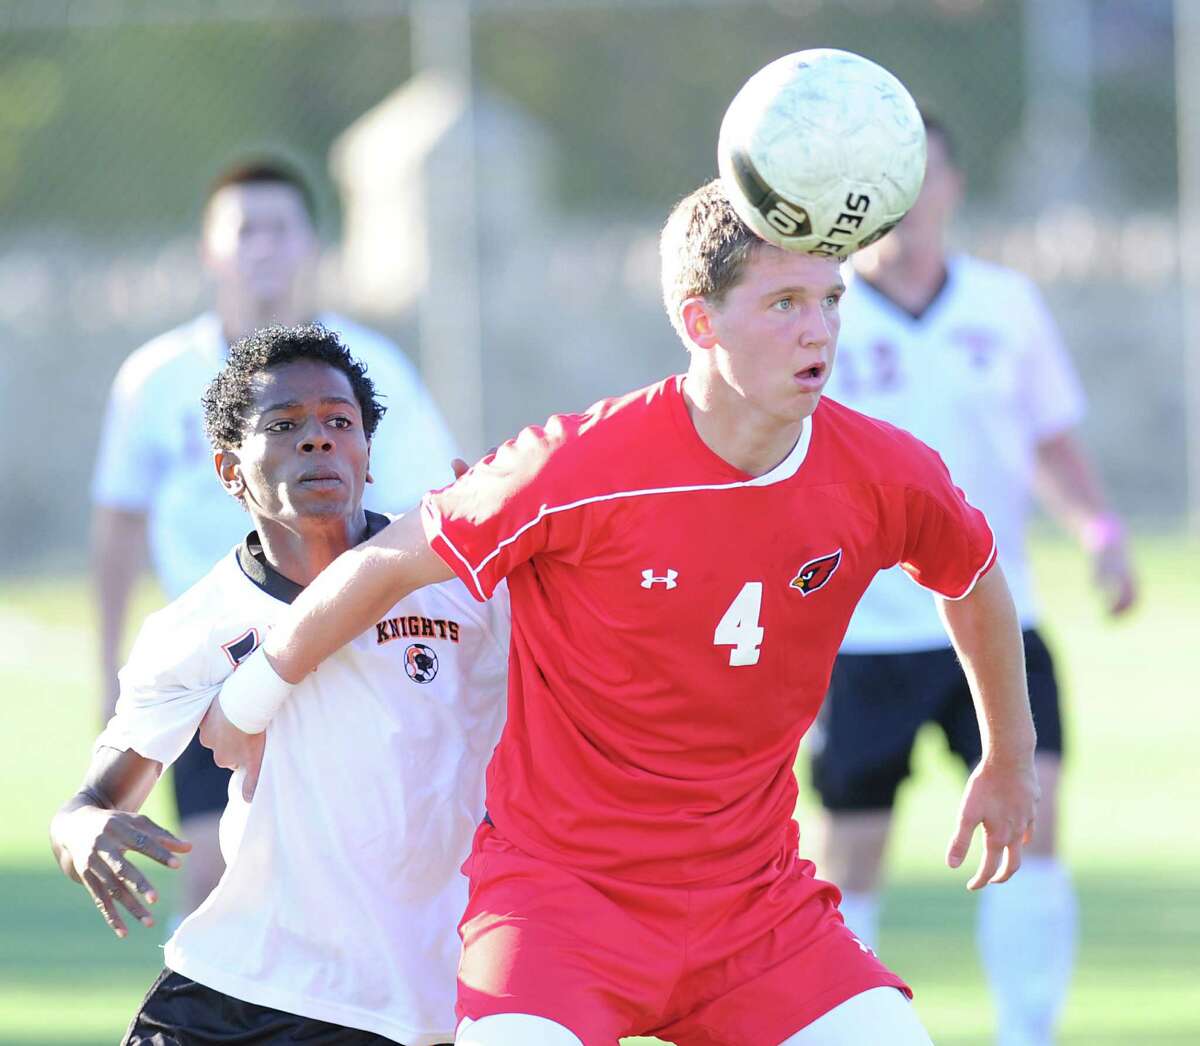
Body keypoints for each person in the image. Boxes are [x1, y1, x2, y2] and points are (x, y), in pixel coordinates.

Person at [205, 179, 1039, 1046]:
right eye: (784, 301)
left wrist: (1008, 756)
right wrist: (254, 692)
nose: (820, 329)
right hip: (558, 907)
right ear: (698, 322)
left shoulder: (883, 472)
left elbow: (973, 574)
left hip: (756, 912)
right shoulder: (577, 467)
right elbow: (387, 563)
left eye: (831, 298)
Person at [54, 325, 507, 1045]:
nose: (318, 440)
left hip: (414, 1000)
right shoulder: (198, 627)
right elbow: (91, 801)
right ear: (230, 471)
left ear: (366, 452)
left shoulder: (463, 588)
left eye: (339, 422)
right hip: (247, 984)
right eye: (285, 425)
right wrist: (83, 832)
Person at [810, 115, 1136, 1046]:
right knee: (850, 858)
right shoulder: (820, 316)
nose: (905, 208)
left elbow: (1050, 437)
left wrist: (1100, 529)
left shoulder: (1006, 304)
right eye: (883, 189)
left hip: (999, 617)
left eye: (923, 179)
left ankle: (1027, 1034)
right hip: (865, 632)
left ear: (951, 187)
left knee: (1032, 820)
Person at [91, 157, 459, 918]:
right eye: (244, 229)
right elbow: (119, 519)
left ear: (310, 246)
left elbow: (436, 502)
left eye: (280, 228)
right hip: (216, 655)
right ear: (210, 248)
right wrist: (107, 666)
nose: (263, 247)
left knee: (360, 872)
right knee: (219, 875)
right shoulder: (156, 377)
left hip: (345, 644)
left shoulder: (369, 366)